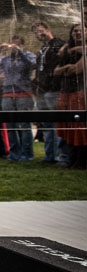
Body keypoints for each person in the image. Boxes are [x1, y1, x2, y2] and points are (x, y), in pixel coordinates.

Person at [31, 21, 67, 163]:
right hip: (41, 89)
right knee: (46, 124)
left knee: (57, 124)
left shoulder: (58, 44)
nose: (39, 34)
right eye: (35, 33)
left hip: (53, 89)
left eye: (40, 31)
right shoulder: (42, 48)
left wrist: (53, 84)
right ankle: (49, 155)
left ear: (48, 29)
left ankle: (62, 155)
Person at [0, 35, 36, 161]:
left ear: (22, 45)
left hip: (24, 92)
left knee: (25, 124)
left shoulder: (28, 55)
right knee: (10, 124)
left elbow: (32, 65)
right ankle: (14, 153)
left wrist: (20, 52)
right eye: (12, 44)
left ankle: (27, 154)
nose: (14, 47)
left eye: (18, 44)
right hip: (8, 92)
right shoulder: (6, 59)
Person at [53, 23, 85, 169]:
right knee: (69, 128)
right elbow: (55, 71)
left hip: (80, 92)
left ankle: (81, 161)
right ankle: (71, 159)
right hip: (66, 92)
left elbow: (76, 70)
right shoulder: (66, 50)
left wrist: (65, 69)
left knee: (80, 127)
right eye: (75, 31)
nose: (77, 33)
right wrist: (66, 69)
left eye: (80, 30)